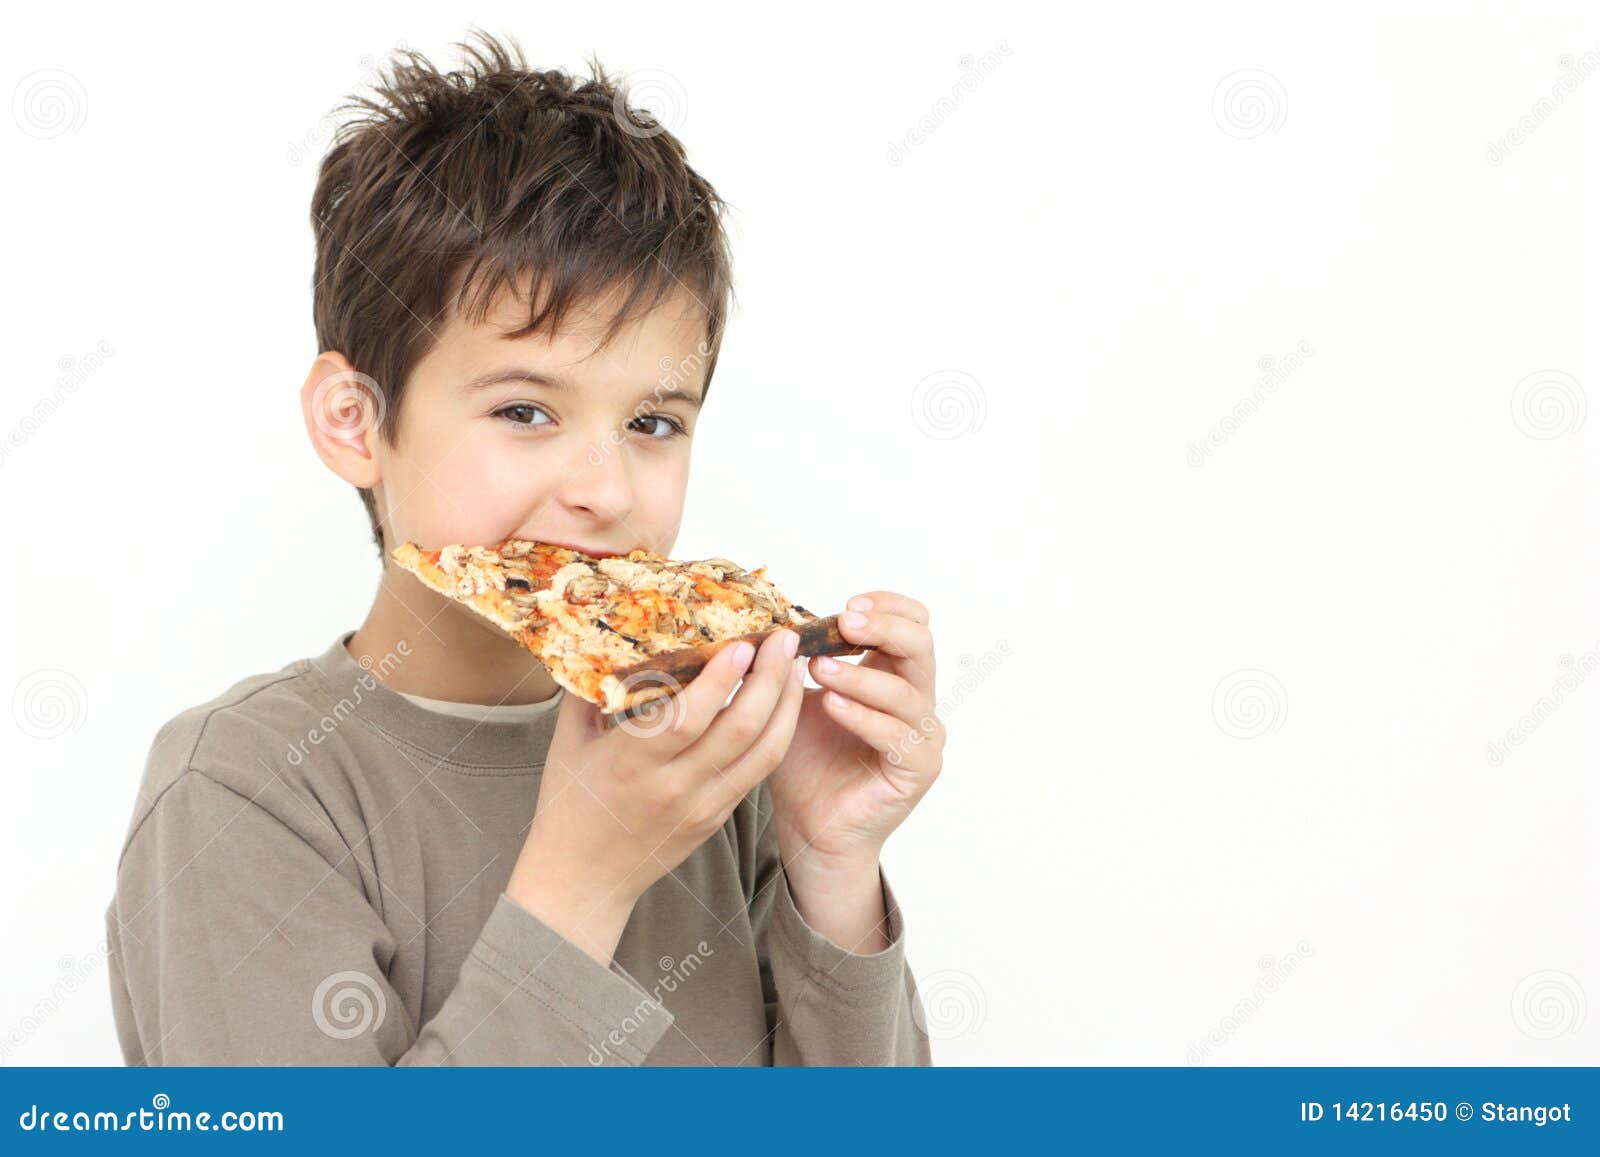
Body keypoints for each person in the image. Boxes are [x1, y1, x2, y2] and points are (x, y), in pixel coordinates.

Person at [105, 30, 944, 1066]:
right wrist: (582, 880)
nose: (602, 490)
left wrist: (830, 861)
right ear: (355, 420)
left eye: (652, 423)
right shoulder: (244, 791)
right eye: (524, 409)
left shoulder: (710, 759)